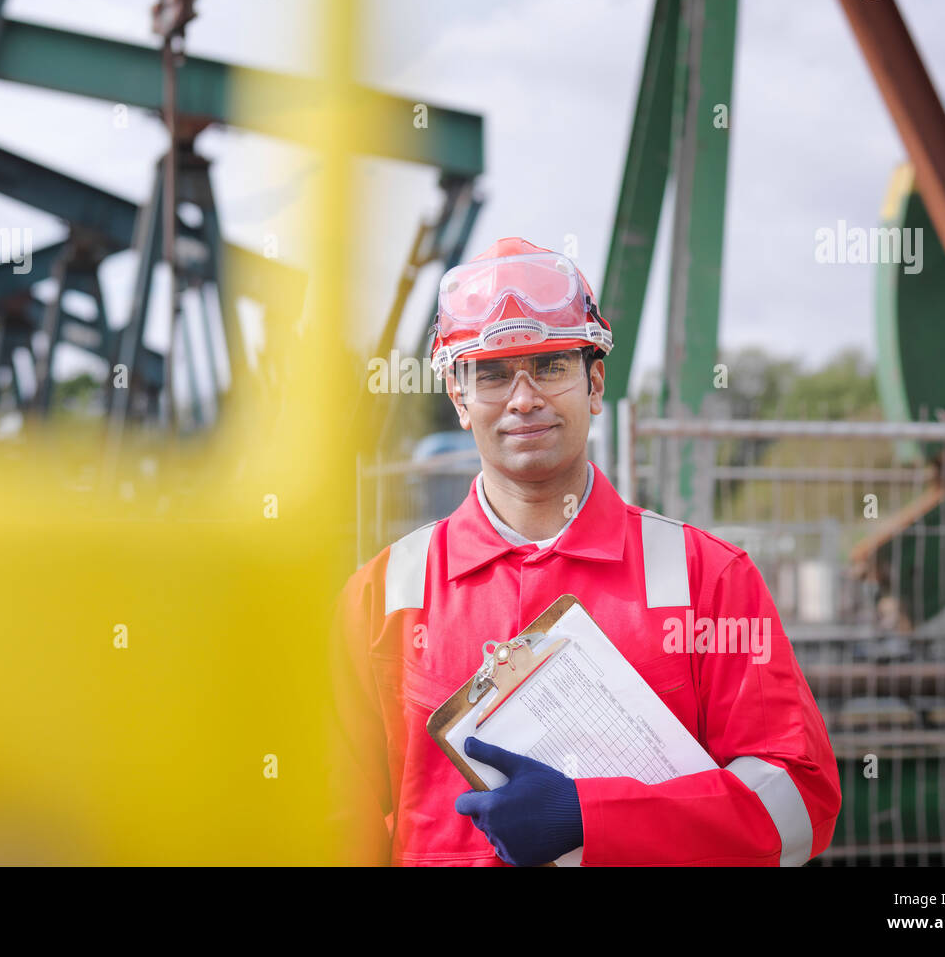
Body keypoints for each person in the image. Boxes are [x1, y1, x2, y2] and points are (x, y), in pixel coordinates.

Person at [329, 236, 841, 866]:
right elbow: (334, 823)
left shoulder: (707, 579)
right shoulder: (385, 597)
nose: (523, 399)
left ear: (594, 382)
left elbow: (799, 802)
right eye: (490, 374)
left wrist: (592, 819)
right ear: (459, 399)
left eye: (549, 367)